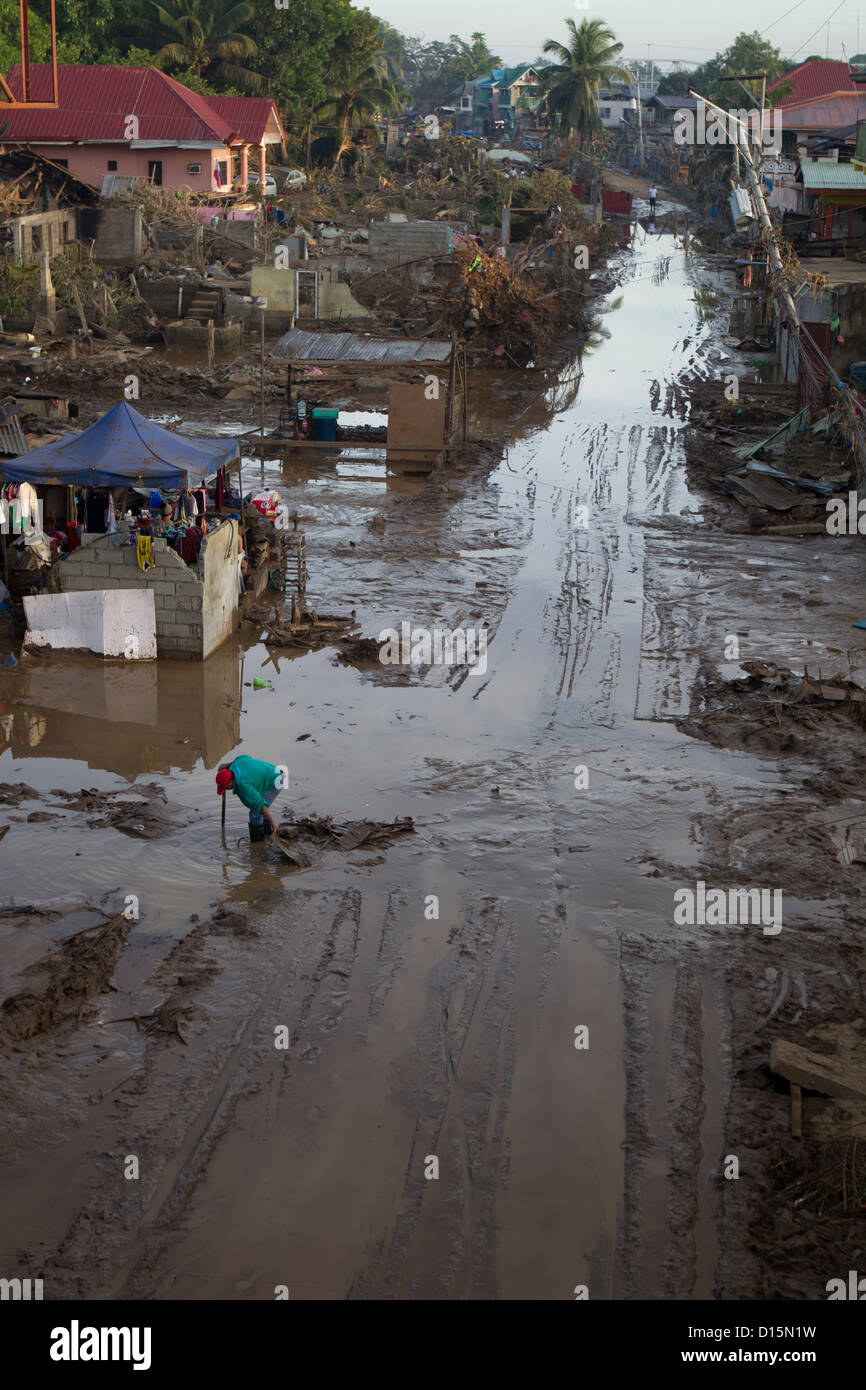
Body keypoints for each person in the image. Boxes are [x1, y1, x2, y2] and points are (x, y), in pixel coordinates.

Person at [216, 755, 283, 842]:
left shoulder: (243, 787)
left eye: (225, 787)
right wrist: (225, 765)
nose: (226, 789)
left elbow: (261, 805)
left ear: (230, 782)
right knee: (258, 807)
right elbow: (244, 757)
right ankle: (268, 834)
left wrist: (273, 824)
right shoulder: (235, 764)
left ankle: (258, 844)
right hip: (270, 772)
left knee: (255, 812)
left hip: (276, 781)